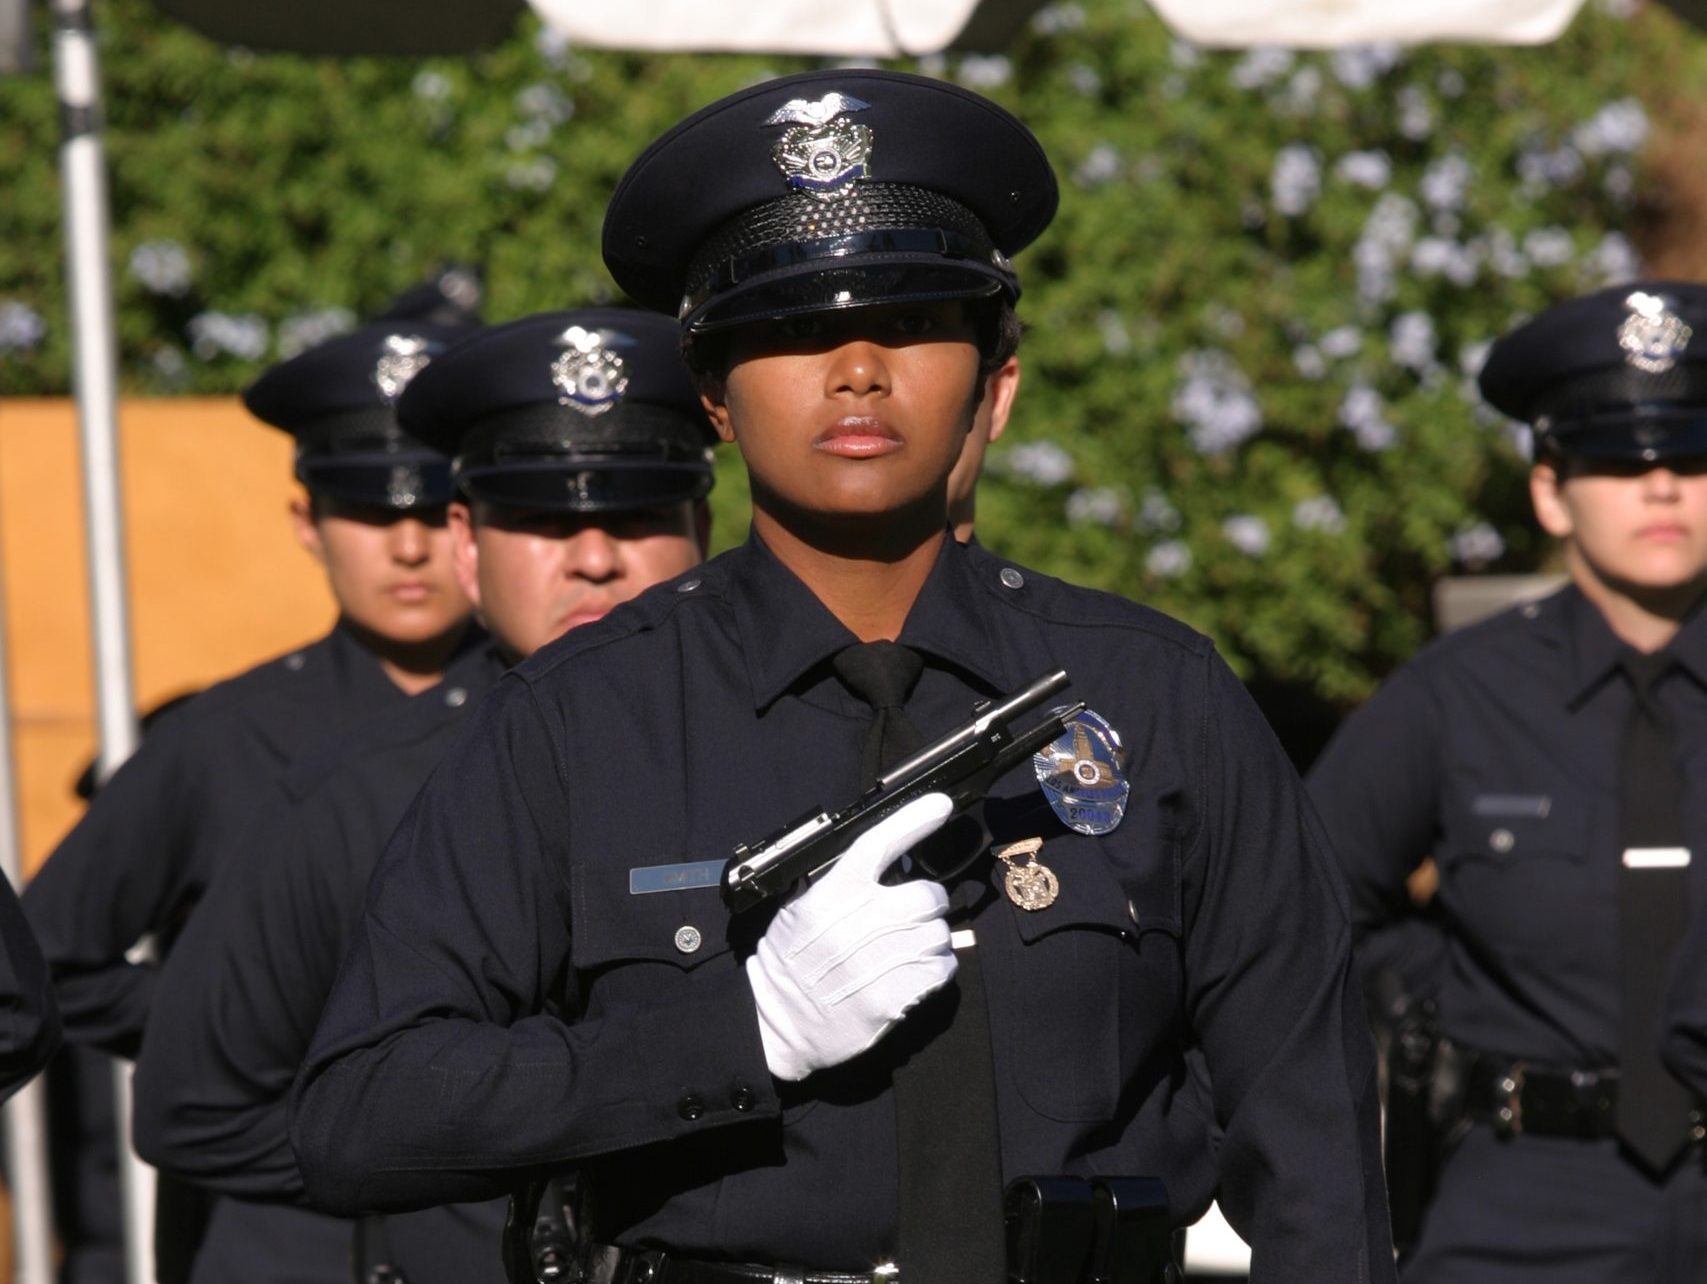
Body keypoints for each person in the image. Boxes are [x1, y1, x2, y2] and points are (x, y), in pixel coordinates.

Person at [291, 69, 1391, 1283]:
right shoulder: (577, 719)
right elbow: (363, 1113)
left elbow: (1317, 1152)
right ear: (712, 394)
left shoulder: (1157, 697)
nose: (859, 367)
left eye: (914, 320)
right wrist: (738, 1034)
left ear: (996, 378)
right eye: (797, 329)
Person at [129, 308, 715, 1284]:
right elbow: (194, 1105)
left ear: (702, 527)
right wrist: (429, 1151)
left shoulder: (798, 749)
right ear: (466, 542)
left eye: (641, 512)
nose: (595, 557)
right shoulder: (354, 797)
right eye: (540, 518)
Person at [21, 321, 477, 1278]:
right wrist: (235, 1023)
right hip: (278, 1231)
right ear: (305, 522)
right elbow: (49, 956)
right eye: (363, 505)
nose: (405, 544)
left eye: (437, 506)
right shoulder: (216, 737)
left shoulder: (555, 714)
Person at [1308, 281, 1707, 1282]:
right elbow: (1308, 896)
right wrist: (1443, 1003)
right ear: (1548, 490)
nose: (1661, 489)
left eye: (1691, 460)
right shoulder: (1455, 695)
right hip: (1524, 1200)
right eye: (1619, 461)